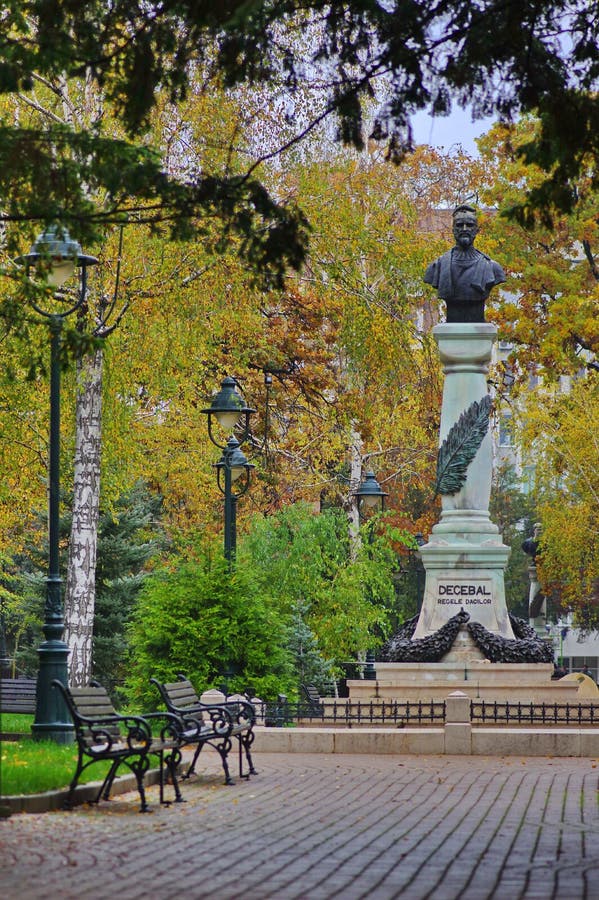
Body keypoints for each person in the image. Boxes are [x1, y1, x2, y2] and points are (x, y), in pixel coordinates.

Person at [424, 205, 506, 322]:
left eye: (469, 225)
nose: (464, 229)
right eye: (459, 225)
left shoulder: (492, 267)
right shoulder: (438, 266)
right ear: (453, 230)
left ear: (477, 230)